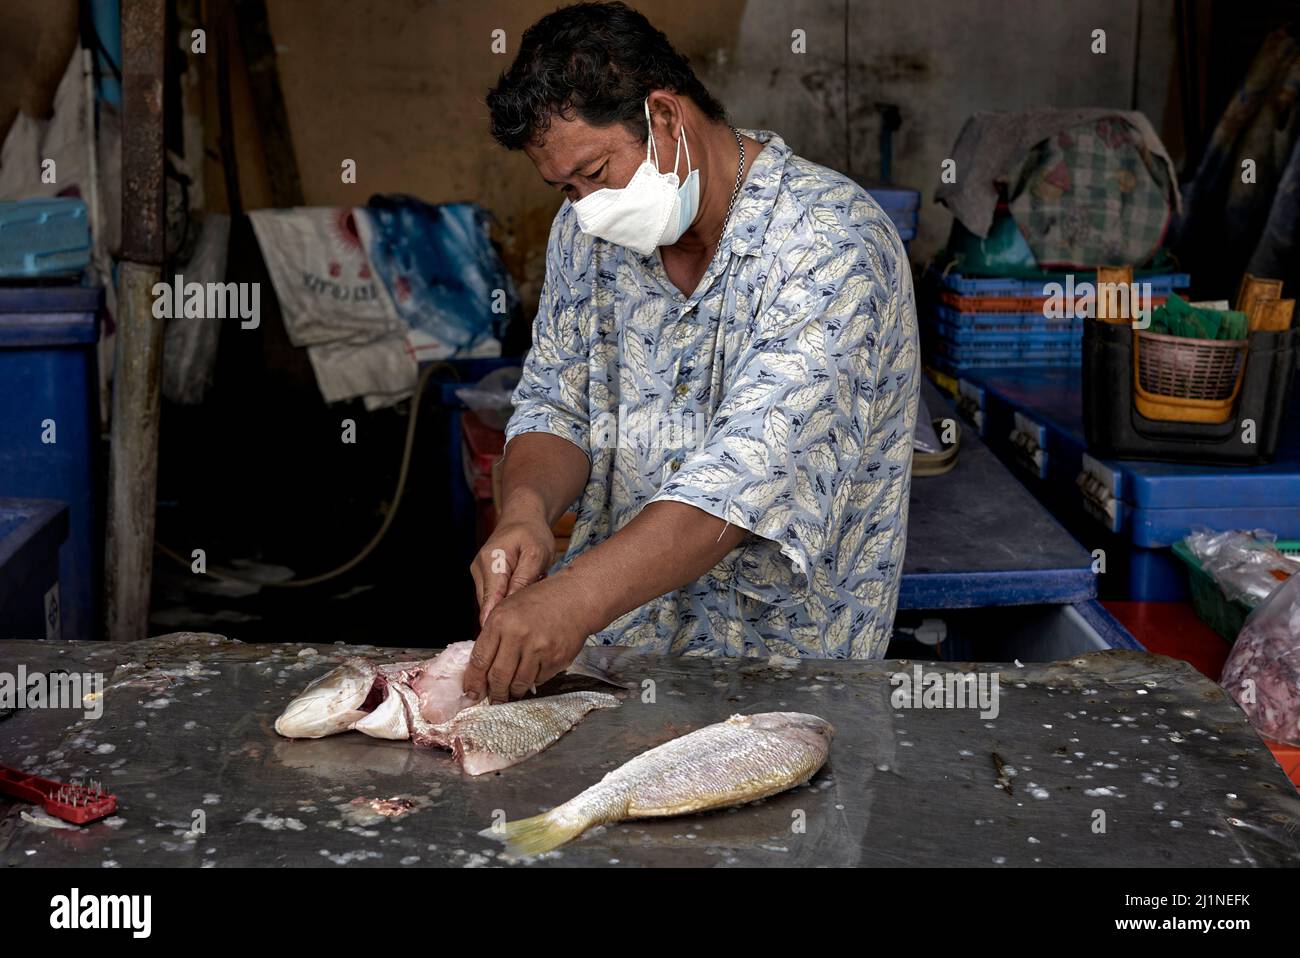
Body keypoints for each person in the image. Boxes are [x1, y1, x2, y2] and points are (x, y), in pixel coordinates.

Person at [464, 1, 918, 704]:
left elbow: (735, 489)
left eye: (594, 172)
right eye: (565, 189)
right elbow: (557, 402)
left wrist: (570, 602)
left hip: (784, 681)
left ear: (666, 120)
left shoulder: (829, 245)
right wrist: (525, 511)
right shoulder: (584, 236)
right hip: (613, 667)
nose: (584, 207)